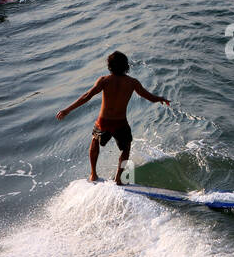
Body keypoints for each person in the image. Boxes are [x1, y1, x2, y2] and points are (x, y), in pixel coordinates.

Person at [55, 51, 170, 183]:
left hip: (103, 122)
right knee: (126, 148)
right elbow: (149, 97)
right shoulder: (132, 82)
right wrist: (161, 98)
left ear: (110, 66)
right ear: (126, 66)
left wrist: (67, 110)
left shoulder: (104, 81)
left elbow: (86, 96)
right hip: (120, 123)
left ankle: (93, 174)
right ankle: (119, 178)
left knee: (95, 141)